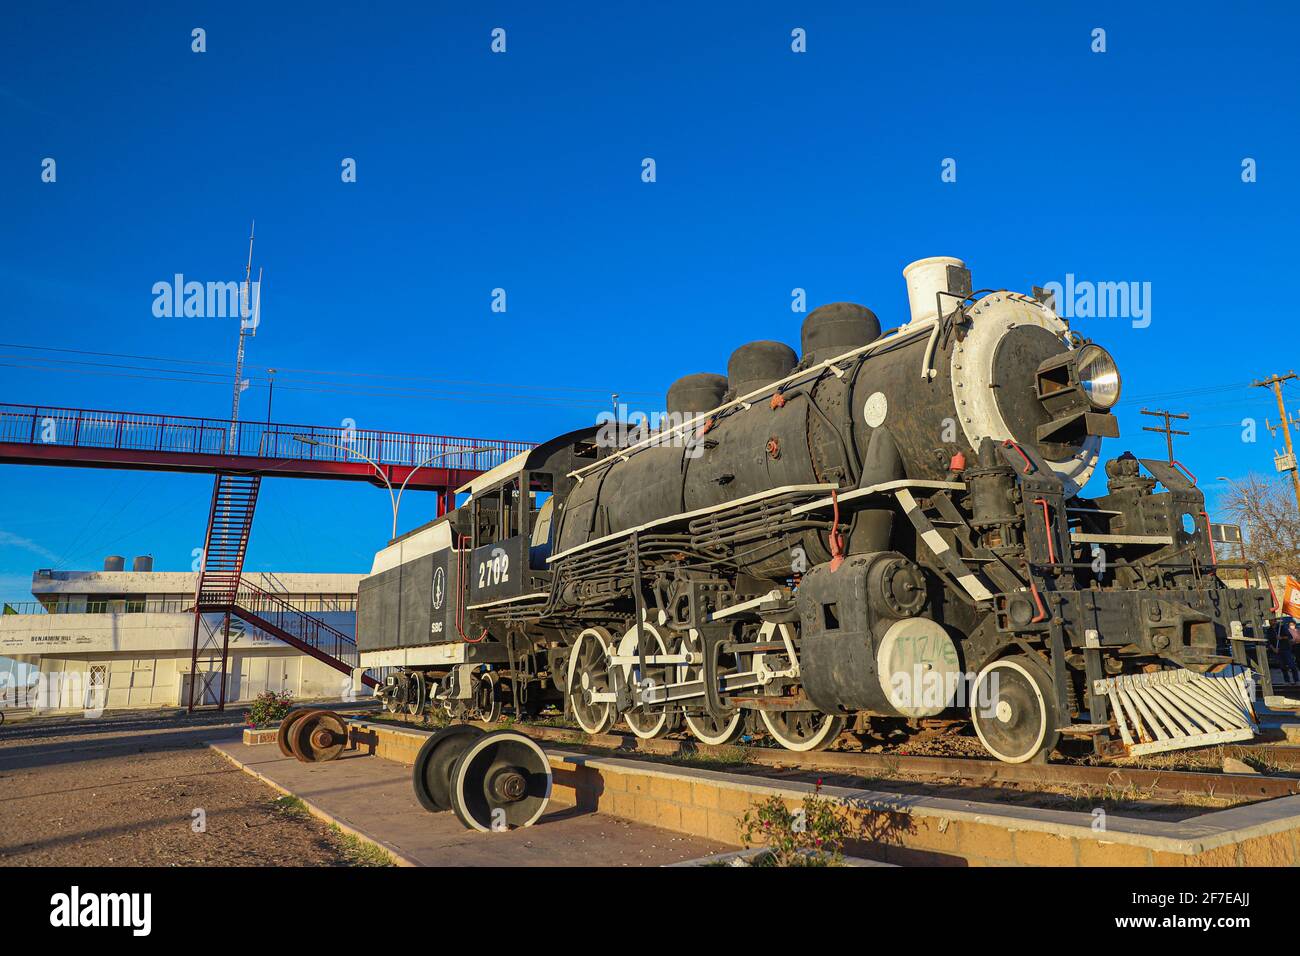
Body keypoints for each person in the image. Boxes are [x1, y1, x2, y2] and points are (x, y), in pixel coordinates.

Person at [1276, 618, 1300, 685]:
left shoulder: (1284, 629)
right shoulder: (1272, 629)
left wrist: (1281, 638)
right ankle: (1287, 681)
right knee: (1283, 666)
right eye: (1290, 625)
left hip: (1288, 648)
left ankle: (1296, 680)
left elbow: (1288, 637)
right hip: (1281, 649)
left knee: (1292, 665)